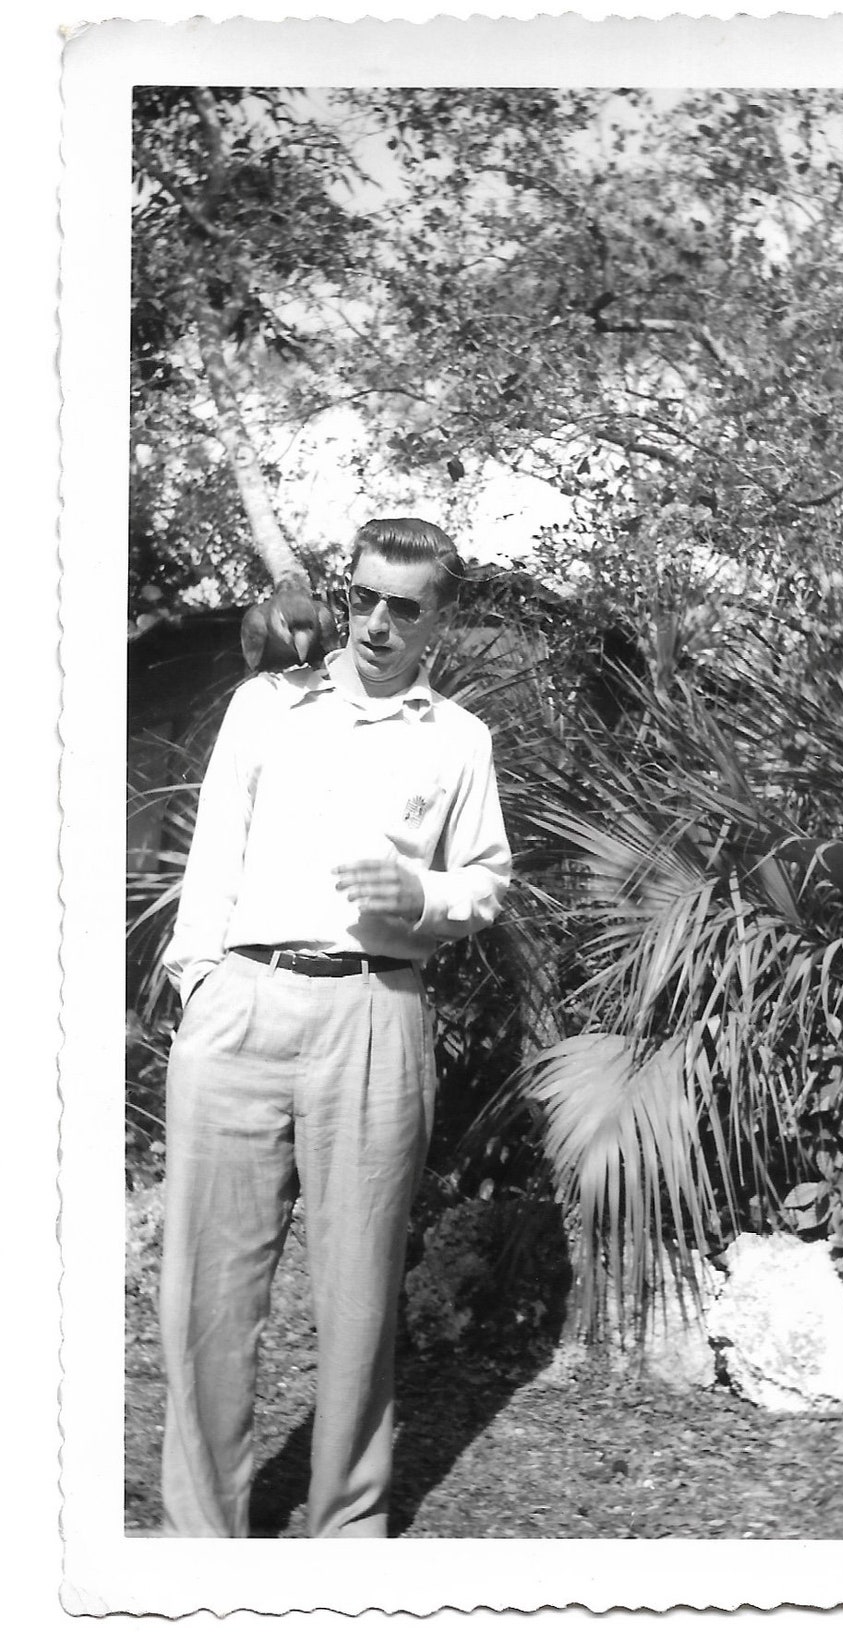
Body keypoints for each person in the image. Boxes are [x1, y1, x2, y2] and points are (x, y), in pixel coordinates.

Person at [158, 517, 511, 1538]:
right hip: (241, 1007)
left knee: (359, 1296)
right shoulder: (265, 707)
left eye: (407, 605)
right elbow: (211, 854)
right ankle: (199, 1544)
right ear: (345, 594)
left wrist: (420, 892)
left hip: (374, 1012)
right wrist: (200, 986)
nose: (380, 623)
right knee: (206, 1292)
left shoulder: (459, 740)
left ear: (438, 617)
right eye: (366, 597)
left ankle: (345, 1531)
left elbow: (485, 883)